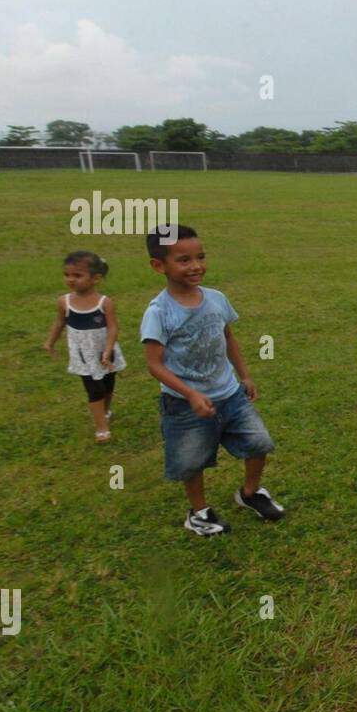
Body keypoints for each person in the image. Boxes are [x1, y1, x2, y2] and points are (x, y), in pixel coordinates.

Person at [140, 224, 283, 536]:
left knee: (259, 443)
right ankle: (199, 512)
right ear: (158, 265)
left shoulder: (216, 299)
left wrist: (244, 374)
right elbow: (154, 364)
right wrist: (190, 394)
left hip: (230, 393)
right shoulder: (159, 312)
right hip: (184, 404)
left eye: (200, 257)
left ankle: (250, 493)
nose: (196, 266)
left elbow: (227, 336)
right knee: (192, 461)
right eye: (184, 260)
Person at [43, 251, 127, 443]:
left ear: (96, 278)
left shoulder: (104, 302)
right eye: (67, 275)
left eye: (77, 275)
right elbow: (59, 323)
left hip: (105, 350)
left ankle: (105, 411)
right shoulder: (64, 302)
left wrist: (108, 349)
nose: (71, 279)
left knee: (107, 385)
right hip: (83, 354)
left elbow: (113, 328)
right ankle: (101, 427)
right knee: (94, 389)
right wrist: (50, 342)